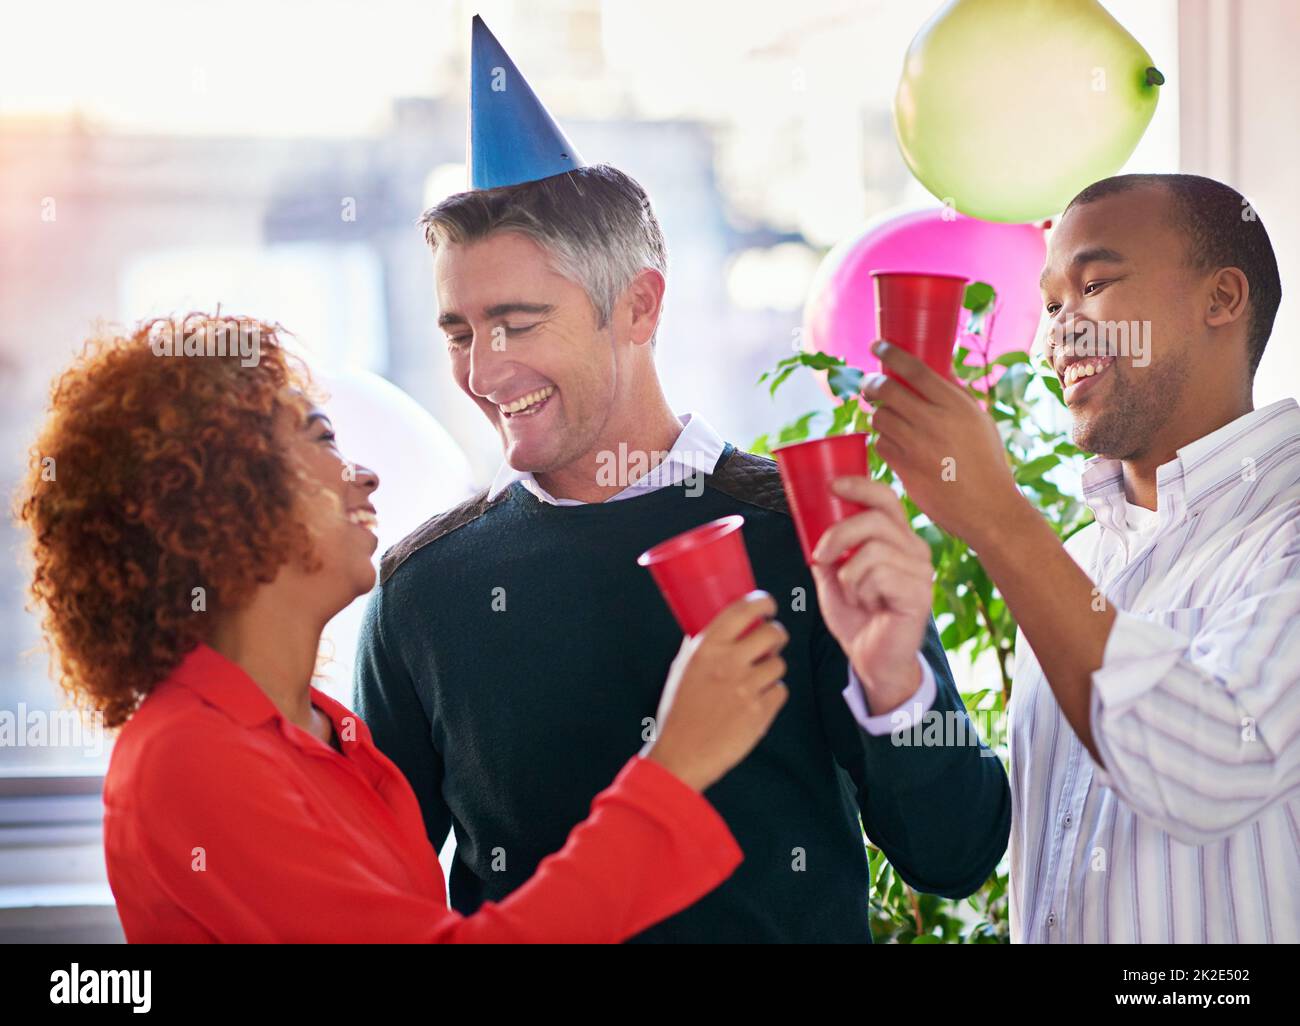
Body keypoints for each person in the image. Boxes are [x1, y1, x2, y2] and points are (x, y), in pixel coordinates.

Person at [354, 16, 1009, 943]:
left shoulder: (806, 527)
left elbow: (956, 853)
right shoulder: (422, 590)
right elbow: (381, 911)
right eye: (458, 332)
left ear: (639, 305)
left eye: (518, 322)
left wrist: (897, 680)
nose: (484, 371)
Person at [14, 314, 792, 943]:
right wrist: (675, 764)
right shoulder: (187, 758)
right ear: (216, 498)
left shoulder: (335, 732)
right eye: (320, 437)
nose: (365, 472)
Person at [857, 172, 1298, 943]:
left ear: (1222, 299)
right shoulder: (1075, 560)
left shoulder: (1283, 532)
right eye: (1053, 304)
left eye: (1094, 285)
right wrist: (898, 682)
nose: (1056, 334)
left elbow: (1215, 764)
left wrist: (999, 520)